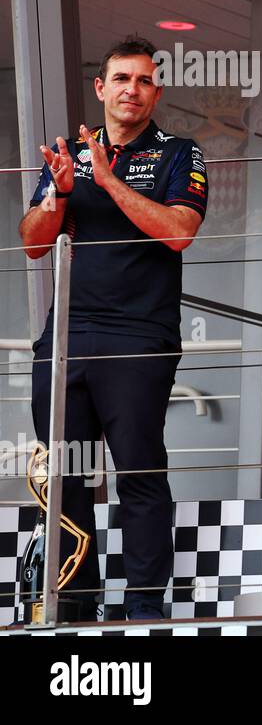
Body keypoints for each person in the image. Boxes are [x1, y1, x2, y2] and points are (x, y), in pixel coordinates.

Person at [20, 37, 208, 621]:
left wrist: (108, 182)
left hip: (138, 335)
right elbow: (32, 242)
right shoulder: (66, 154)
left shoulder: (181, 152)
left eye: (144, 80)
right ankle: (74, 603)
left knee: (139, 471)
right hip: (67, 335)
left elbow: (178, 231)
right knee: (68, 473)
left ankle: (147, 606)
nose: (132, 89)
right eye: (121, 79)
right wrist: (62, 195)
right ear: (100, 88)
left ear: (157, 91)